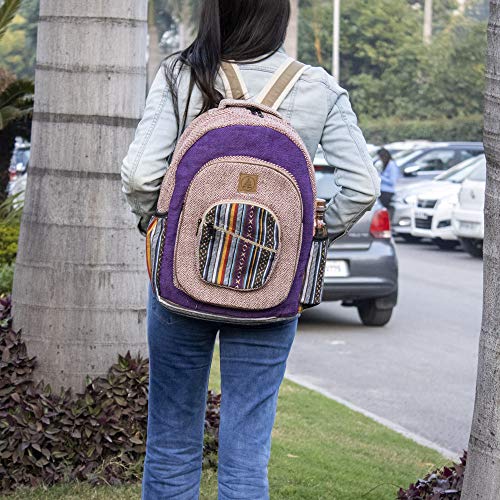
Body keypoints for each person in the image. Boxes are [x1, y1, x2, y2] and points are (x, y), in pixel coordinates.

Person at [120, 1, 380, 498]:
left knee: (172, 440)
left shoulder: (183, 74)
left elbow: (139, 174)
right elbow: (363, 185)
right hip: (271, 291)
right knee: (246, 455)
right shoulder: (317, 87)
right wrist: (314, 233)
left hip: (180, 281)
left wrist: (155, 226)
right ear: (277, 15)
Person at [377, 147, 400, 219]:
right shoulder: (385, 165)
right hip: (383, 192)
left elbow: (392, 181)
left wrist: (380, 177)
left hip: (387, 193)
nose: (379, 159)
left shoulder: (392, 165)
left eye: (380, 157)